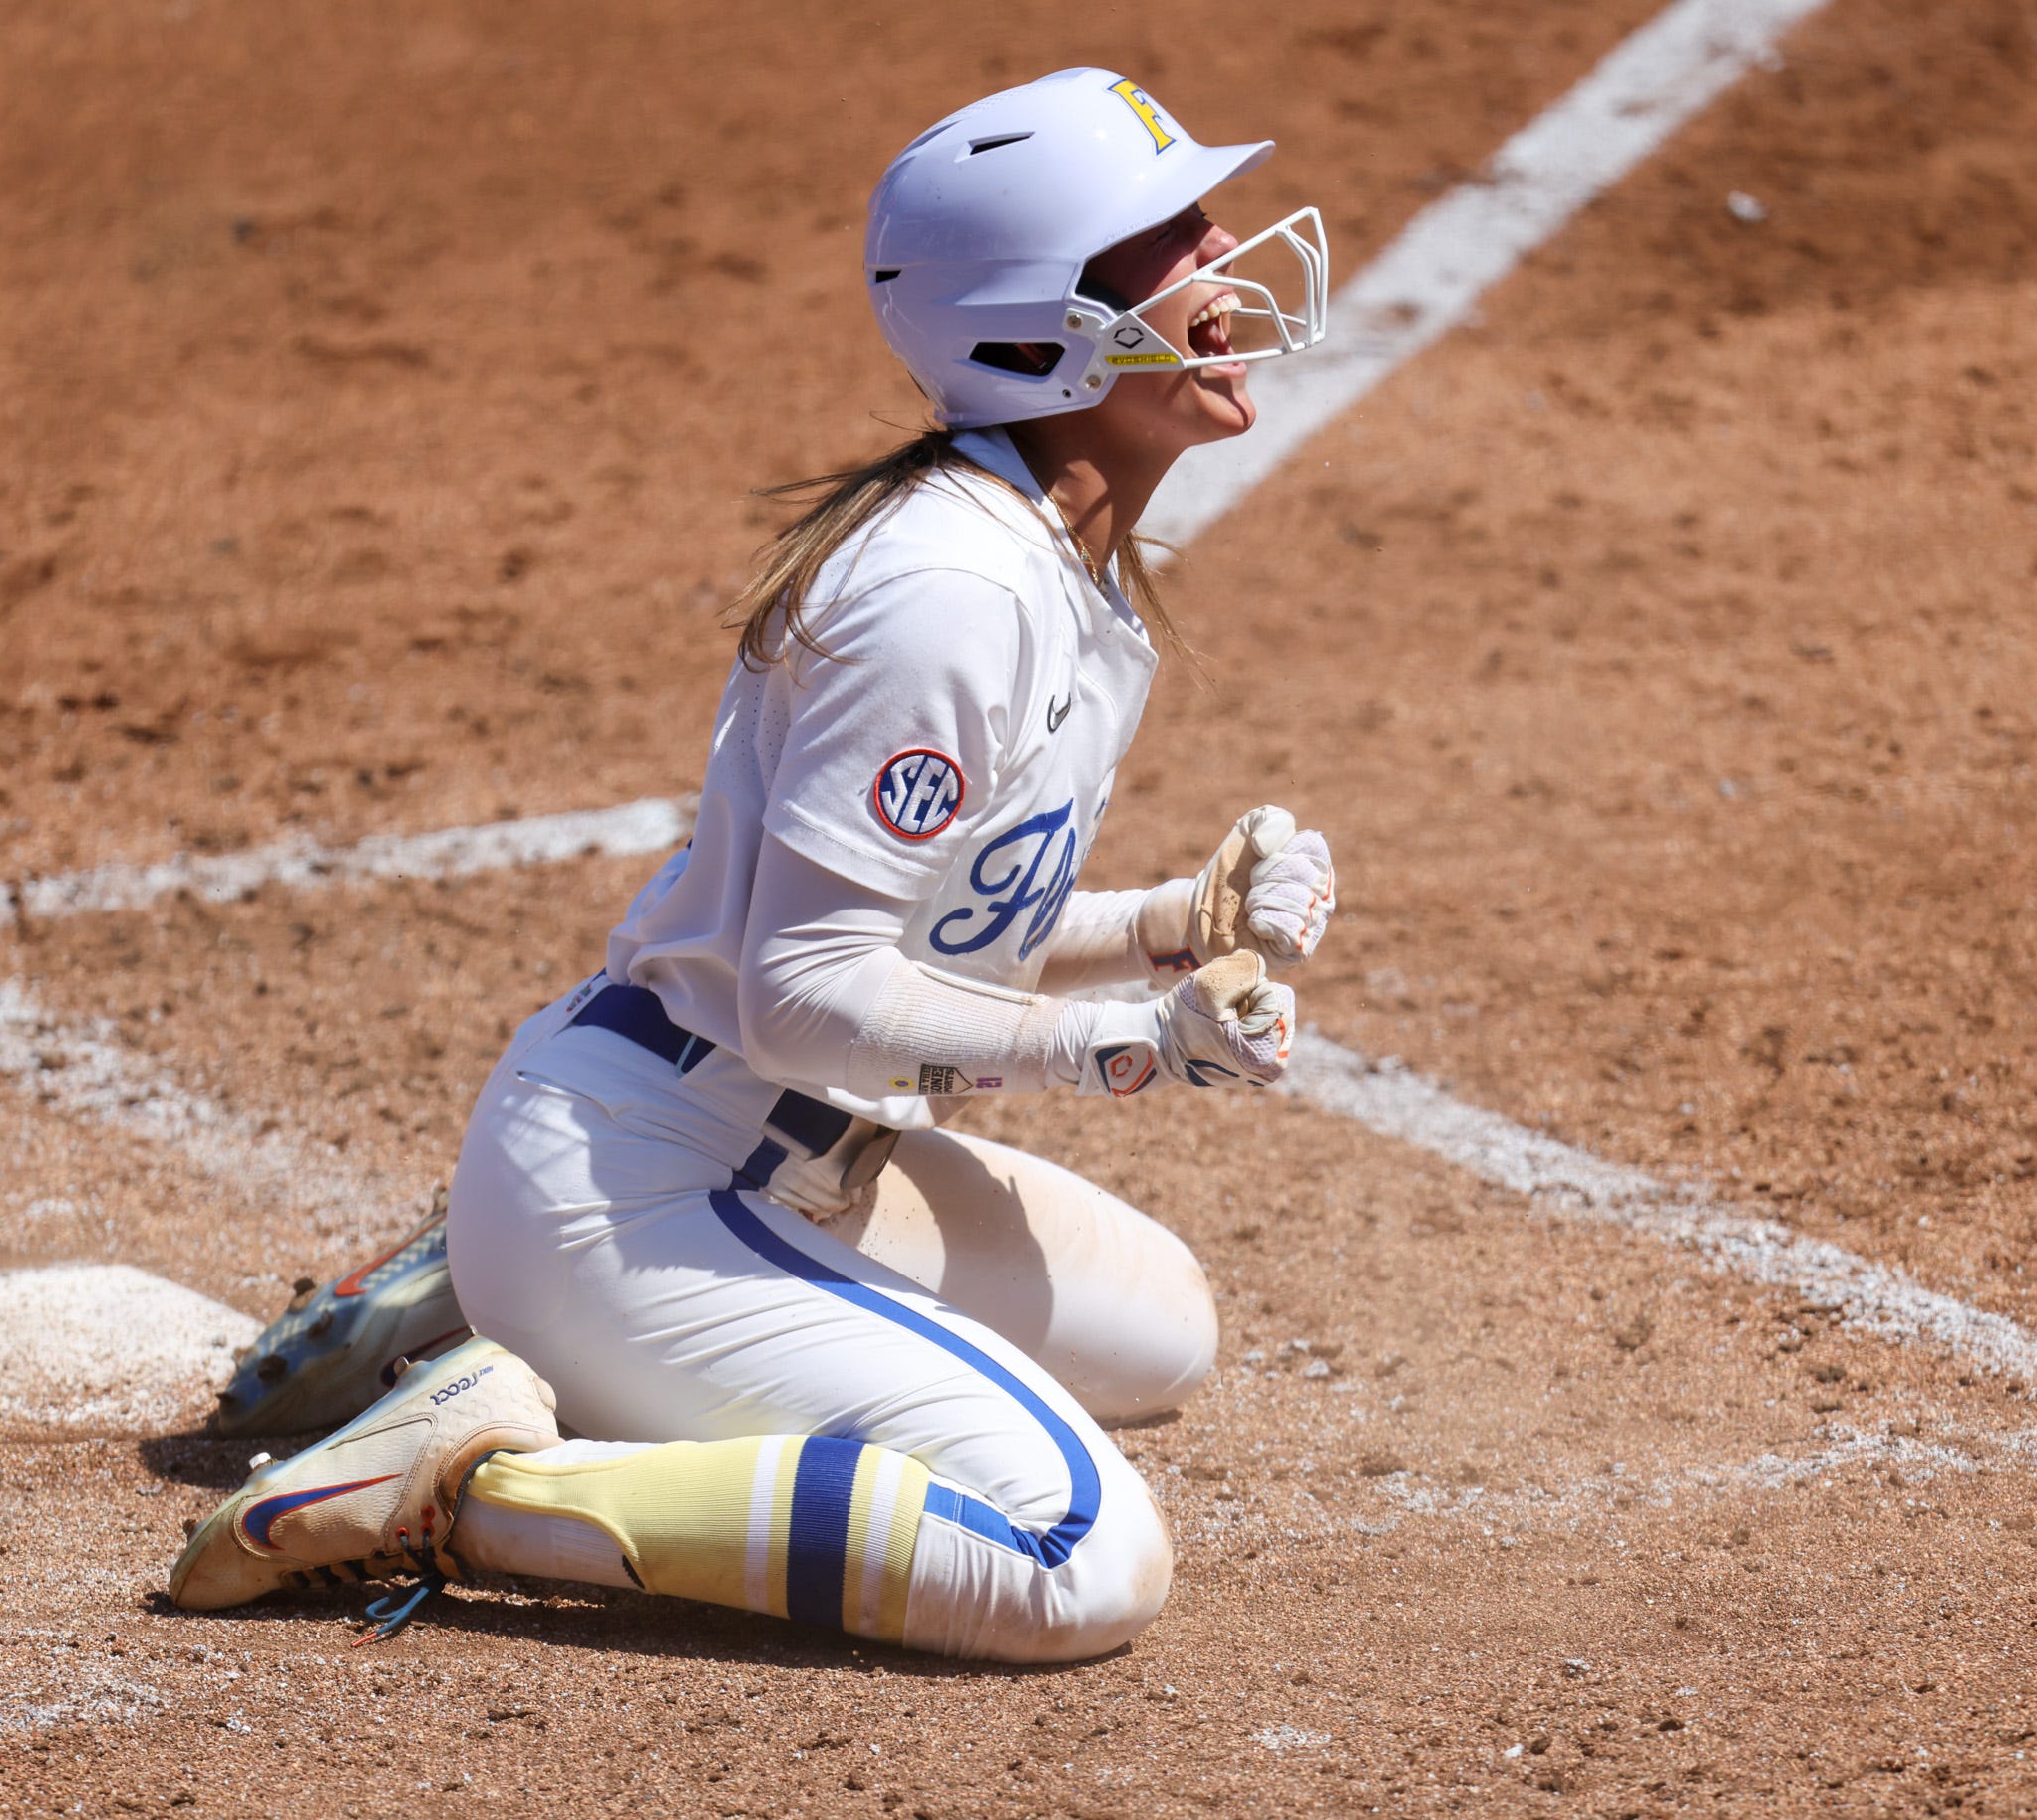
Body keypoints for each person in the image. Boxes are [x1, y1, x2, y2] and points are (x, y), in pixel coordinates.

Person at [168, 67, 1338, 1665]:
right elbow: (802, 993)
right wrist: (1128, 1041)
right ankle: (467, 1478)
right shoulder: (949, 592)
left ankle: (457, 1300)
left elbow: (927, 933)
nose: (1219, 255)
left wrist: (1165, 924)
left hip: (793, 1158)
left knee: (1166, 1333)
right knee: (1078, 1560)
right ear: (1038, 325)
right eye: (1167, 235)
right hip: (650, 1191)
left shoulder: (1054, 561)